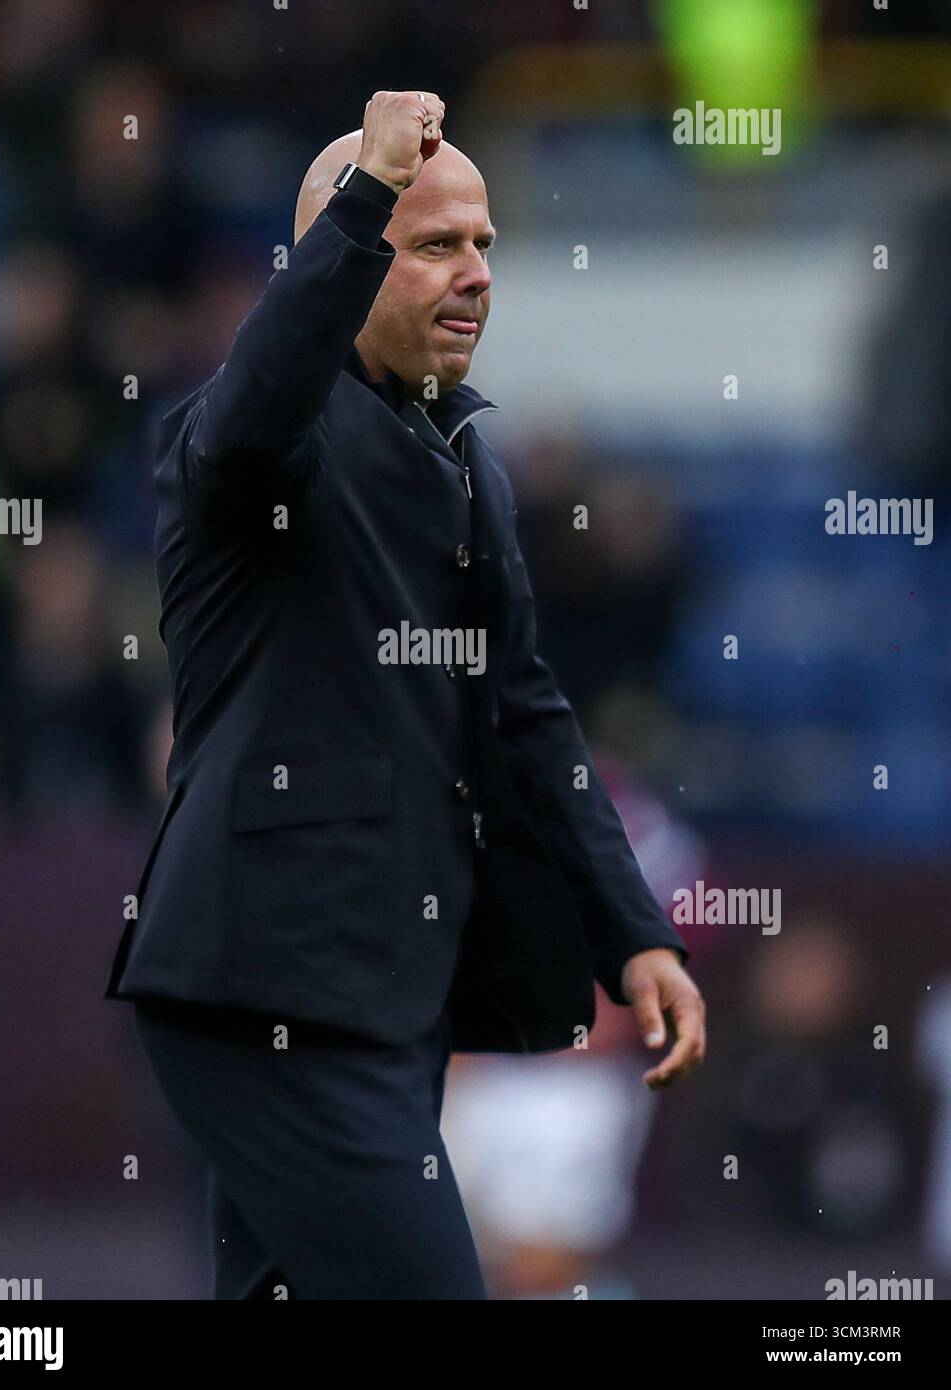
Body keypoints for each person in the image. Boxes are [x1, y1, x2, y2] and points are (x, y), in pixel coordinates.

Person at [103, 90, 705, 1300]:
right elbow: (260, 397)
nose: (476, 272)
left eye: (483, 243)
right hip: (269, 981)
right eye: (437, 245)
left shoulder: (463, 464)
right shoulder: (243, 440)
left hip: (378, 992)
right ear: (347, 252)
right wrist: (369, 190)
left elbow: (525, 708)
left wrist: (630, 927)